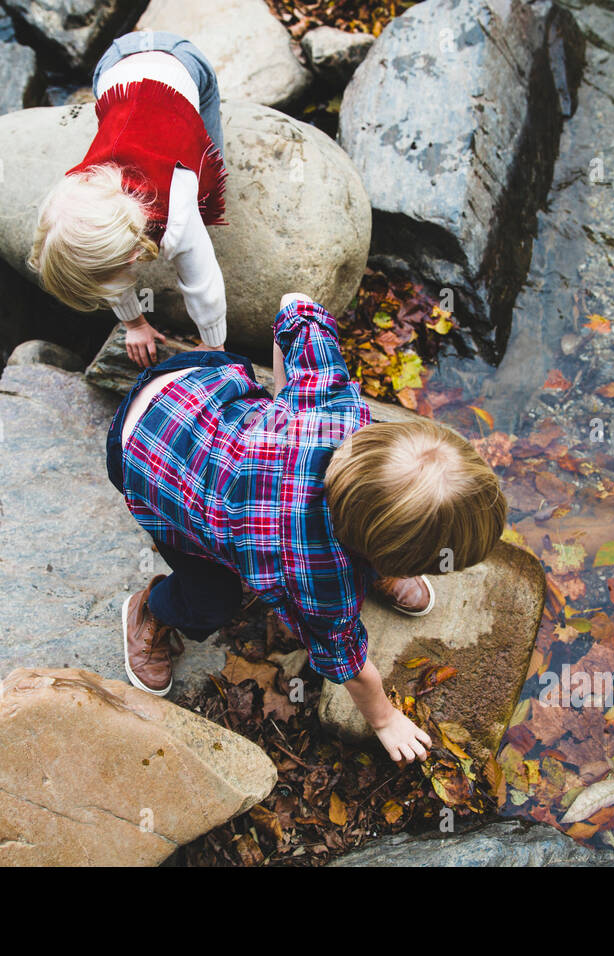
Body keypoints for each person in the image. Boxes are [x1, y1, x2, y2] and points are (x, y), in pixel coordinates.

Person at [105, 293, 508, 764]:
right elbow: (348, 663)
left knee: (251, 402)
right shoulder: (320, 576)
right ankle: (150, 611)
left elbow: (293, 306)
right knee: (213, 599)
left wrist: (282, 404)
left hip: (193, 384)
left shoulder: (336, 404)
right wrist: (384, 718)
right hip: (148, 462)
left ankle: (374, 553)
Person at [28, 30, 229, 368]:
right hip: (113, 65)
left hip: (182, 62)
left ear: (134, 252)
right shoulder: (81, 186)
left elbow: (202, 283)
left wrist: (214, 344)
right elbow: (104, 275)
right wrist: (134, 323)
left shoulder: (177, 209)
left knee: (208, 148)